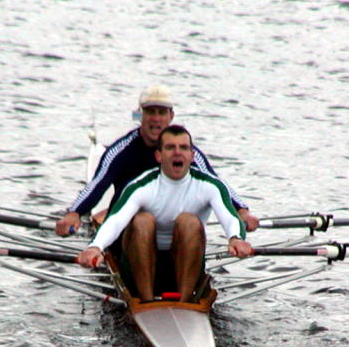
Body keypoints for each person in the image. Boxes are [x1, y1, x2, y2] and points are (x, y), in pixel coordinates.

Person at [77, 125, 254, 302]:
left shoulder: (211, 186)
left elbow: (230, 217)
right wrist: (96, 247)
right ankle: (146, 302)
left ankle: (184, 304)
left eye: (184, 148)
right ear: (159, 156)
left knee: (189, 222)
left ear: (192, 156)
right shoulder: (141, 186)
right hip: (139, 266)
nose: (177, 152)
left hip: (185, 265)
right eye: (170, 147)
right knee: (142, 221)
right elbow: (115, 221)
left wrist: (236, 238)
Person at [55, 86, 258, 236]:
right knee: (142, 221)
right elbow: (97, 185)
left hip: (171, 229)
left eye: (162, 112)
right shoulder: (121, 150)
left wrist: (242, 210)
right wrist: (74, 213)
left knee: (188, 223)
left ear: (171, 116)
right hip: (130, 228)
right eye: (150, 112)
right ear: (140, 115)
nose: (156, 119)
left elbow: (217, 183)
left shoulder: (186, 151)